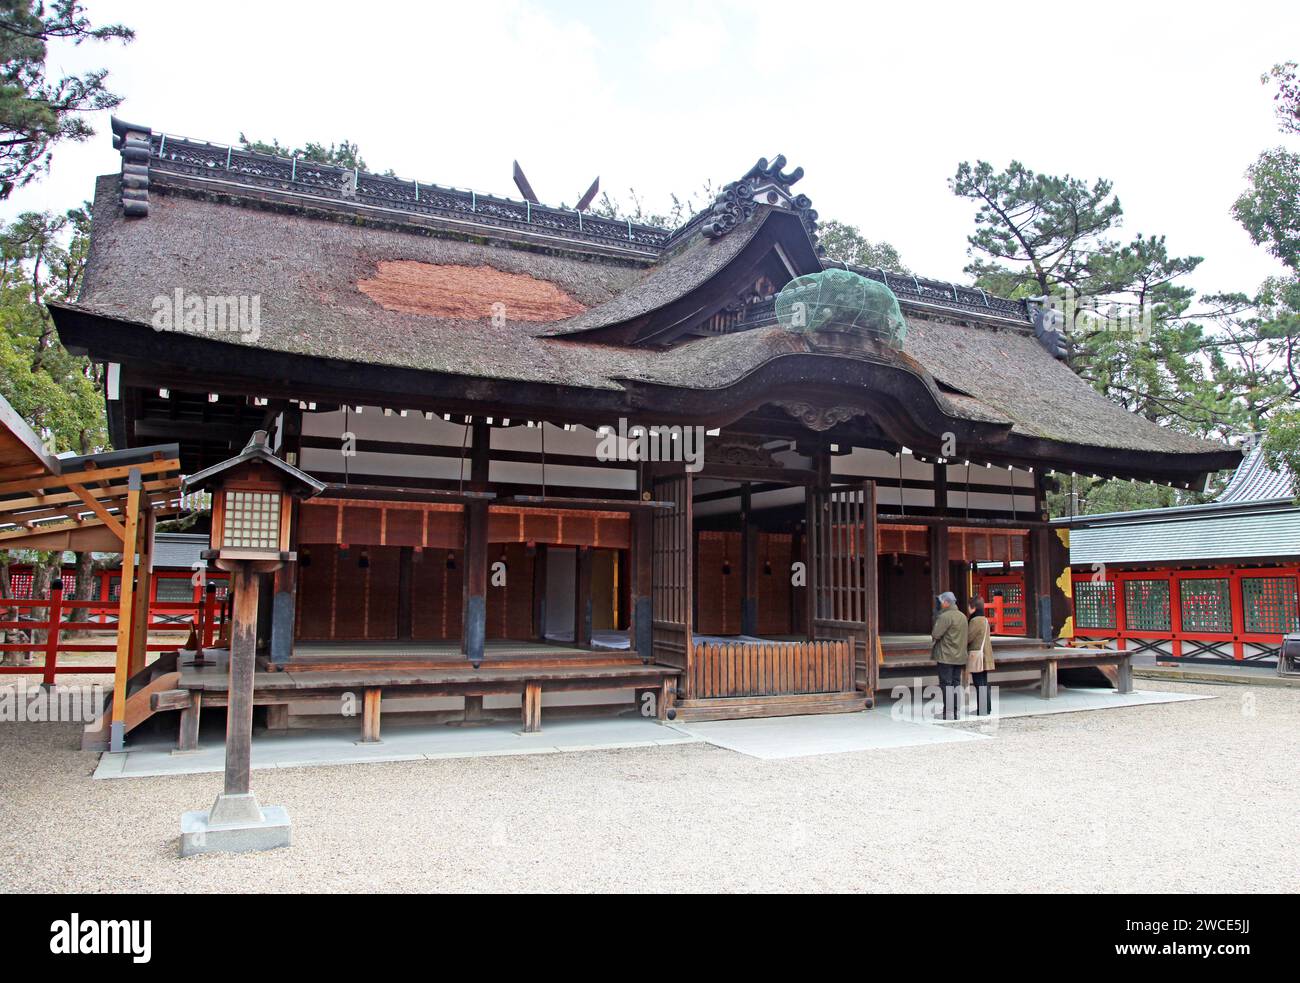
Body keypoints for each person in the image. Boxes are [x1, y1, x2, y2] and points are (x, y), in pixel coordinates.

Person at [930, 591, 968, 720]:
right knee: (956, 683)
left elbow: (936, 634)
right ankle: (955, 711)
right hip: (959, 656)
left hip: (946, 655)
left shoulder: (945, 617)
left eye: (941, 602)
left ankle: (948, 712)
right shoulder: (962, 616)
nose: (940, 604)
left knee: (946, 684)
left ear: (946, 602)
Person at [966, 596, 996, 715]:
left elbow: (969, 637)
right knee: (983, 682)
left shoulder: (975, 620)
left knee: (979, 683)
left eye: (969, 606)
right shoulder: (984, 619)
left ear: (973, 607)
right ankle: (986, 708)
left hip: (977, 655)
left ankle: (982, 709)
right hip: (985, 655)